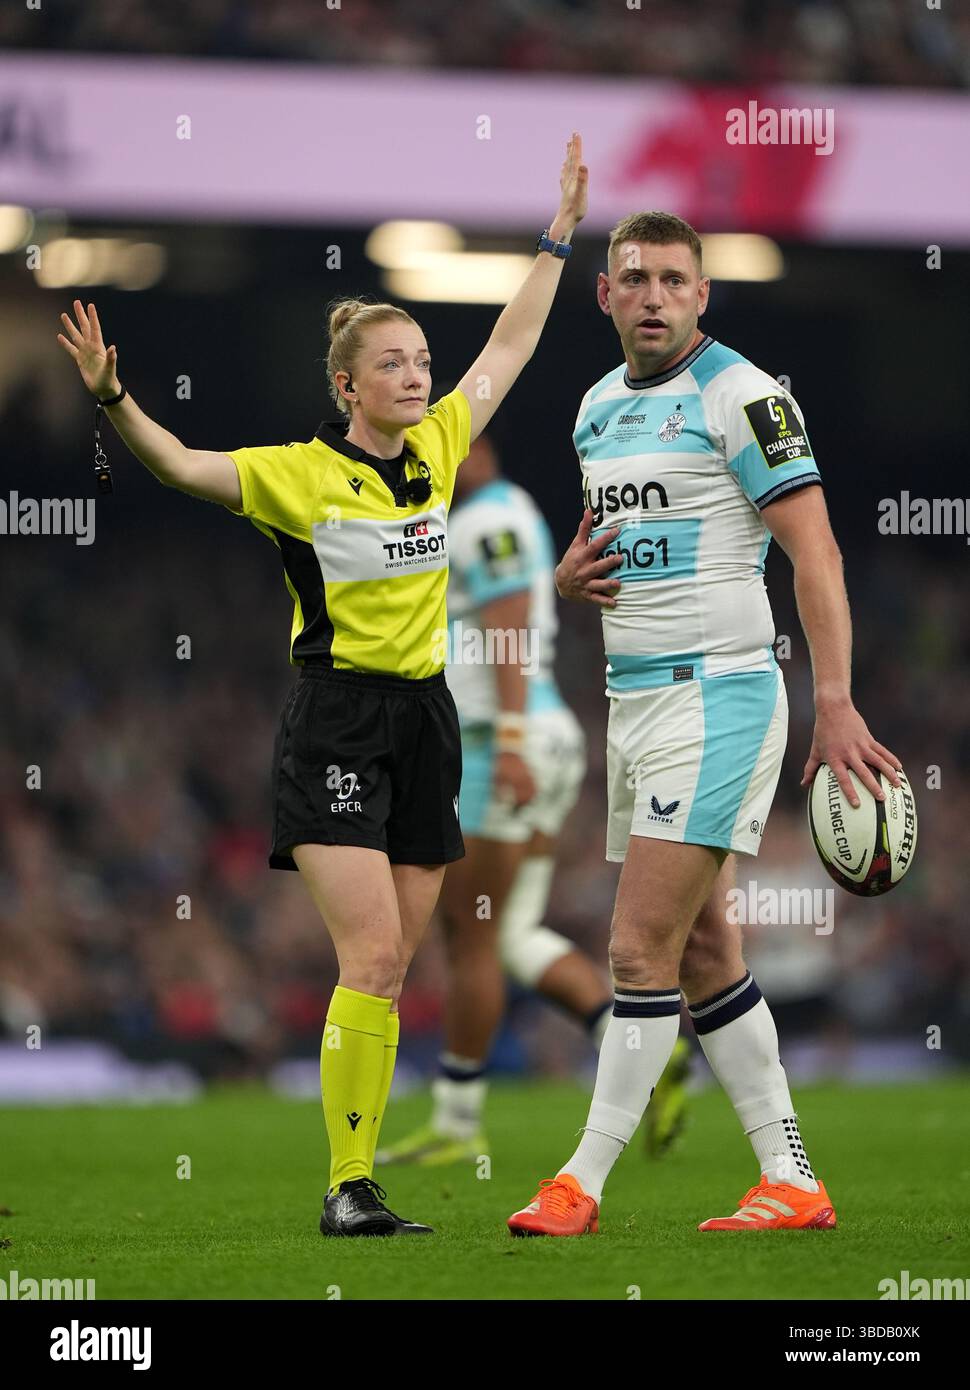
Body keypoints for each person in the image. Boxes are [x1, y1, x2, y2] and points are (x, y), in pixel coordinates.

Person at [56, 132, 588, 1238]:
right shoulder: (298, 474)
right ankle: (348, 1186)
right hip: (337, 721)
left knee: (396, 973)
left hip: (427, 722)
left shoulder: (441, 447)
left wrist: (553, 241)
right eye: (393, 363)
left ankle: (360, 1182)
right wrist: (114, 401)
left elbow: (512, 345)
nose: (419, 376)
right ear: (347, 383)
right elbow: (182, 466)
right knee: (378, 954)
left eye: (421, 362)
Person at [508, 210, 903, 1237]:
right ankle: (791, 1179)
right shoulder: (594, 409)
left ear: (700, 294)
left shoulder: (744, 394)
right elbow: (621, 547)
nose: (650, 295)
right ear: (604, 295)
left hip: (719, 695)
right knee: (703, 954)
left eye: (671, 279)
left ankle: (579, 1183)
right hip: (632, 703)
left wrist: (836, 699)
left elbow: (814, 552)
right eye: (632, 277)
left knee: (635, 948)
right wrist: (566, 575)